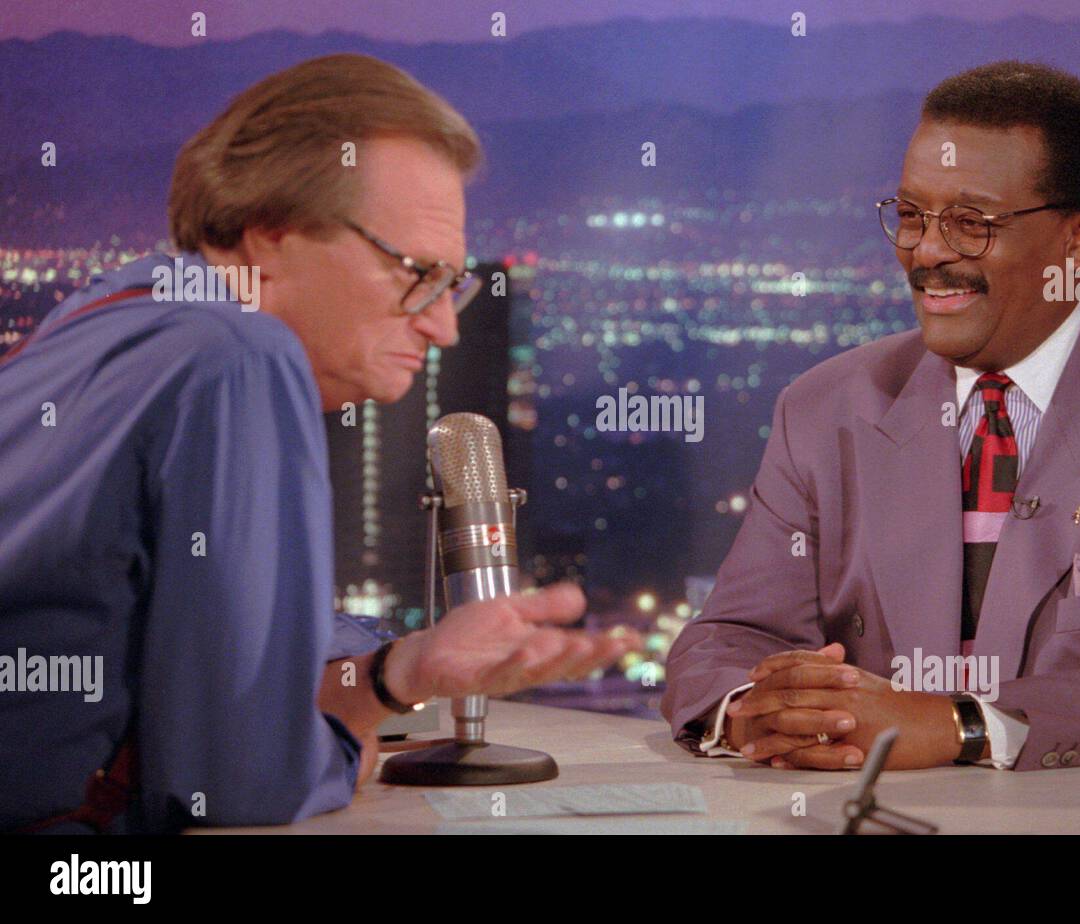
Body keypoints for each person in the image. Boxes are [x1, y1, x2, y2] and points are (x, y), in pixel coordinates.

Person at [0, 53, 637, 833]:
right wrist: (338, 753)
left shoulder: (111, 313)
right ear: (272, 238)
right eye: (417, 275)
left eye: (453, 286)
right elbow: (241, 782)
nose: (443, 325)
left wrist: (400, 669)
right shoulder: (238, 353)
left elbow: (196, 657)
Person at [662, 61, 1080, 773]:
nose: (927, 252)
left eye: (971, 223)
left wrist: (958, 725)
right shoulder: (824, 408)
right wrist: (760, 712)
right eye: (910, 215)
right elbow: (727, 637)